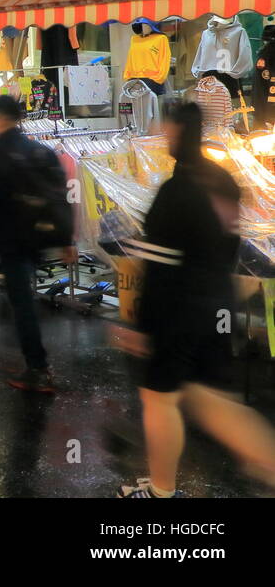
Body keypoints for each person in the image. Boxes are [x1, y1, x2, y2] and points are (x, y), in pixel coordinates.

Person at [116, 102, 275, 497]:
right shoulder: (221, 180)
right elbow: (232, 244)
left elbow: (161, 269)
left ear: (175, 131)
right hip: (217, 306)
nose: (164, 135)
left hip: (177, 311)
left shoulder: (175, 193)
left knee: (159, 400)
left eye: (167, 129)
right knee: (211, 403)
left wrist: (141, 326)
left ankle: (161, 491)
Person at [0, 94, 74, 393]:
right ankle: (30, 358)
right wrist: (65, 239)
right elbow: (61, 197)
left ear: (3, 119)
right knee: (22, 299)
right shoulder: (41, 151)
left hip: (12, 241)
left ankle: (37, 367)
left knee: (22, 305)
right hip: (38, 238)